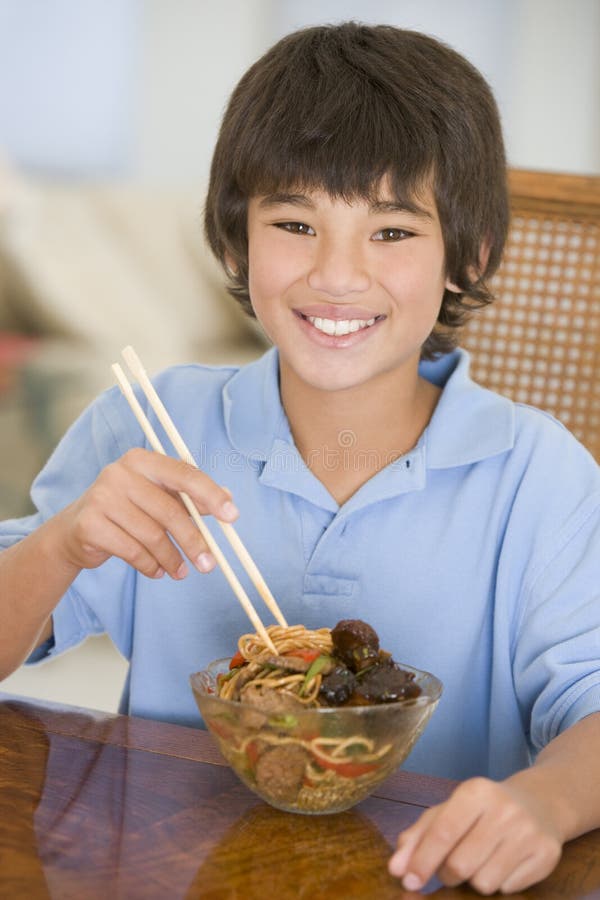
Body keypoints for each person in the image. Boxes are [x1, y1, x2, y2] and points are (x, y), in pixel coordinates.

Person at [0, 22, 599, 894]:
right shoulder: (154, 423)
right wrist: (63, 547)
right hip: (179, 865)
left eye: (392, 232)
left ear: (466, 255)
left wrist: (546, 801)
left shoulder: (538, 476)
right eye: (294, 222)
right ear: (237, 239)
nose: (338, 275)